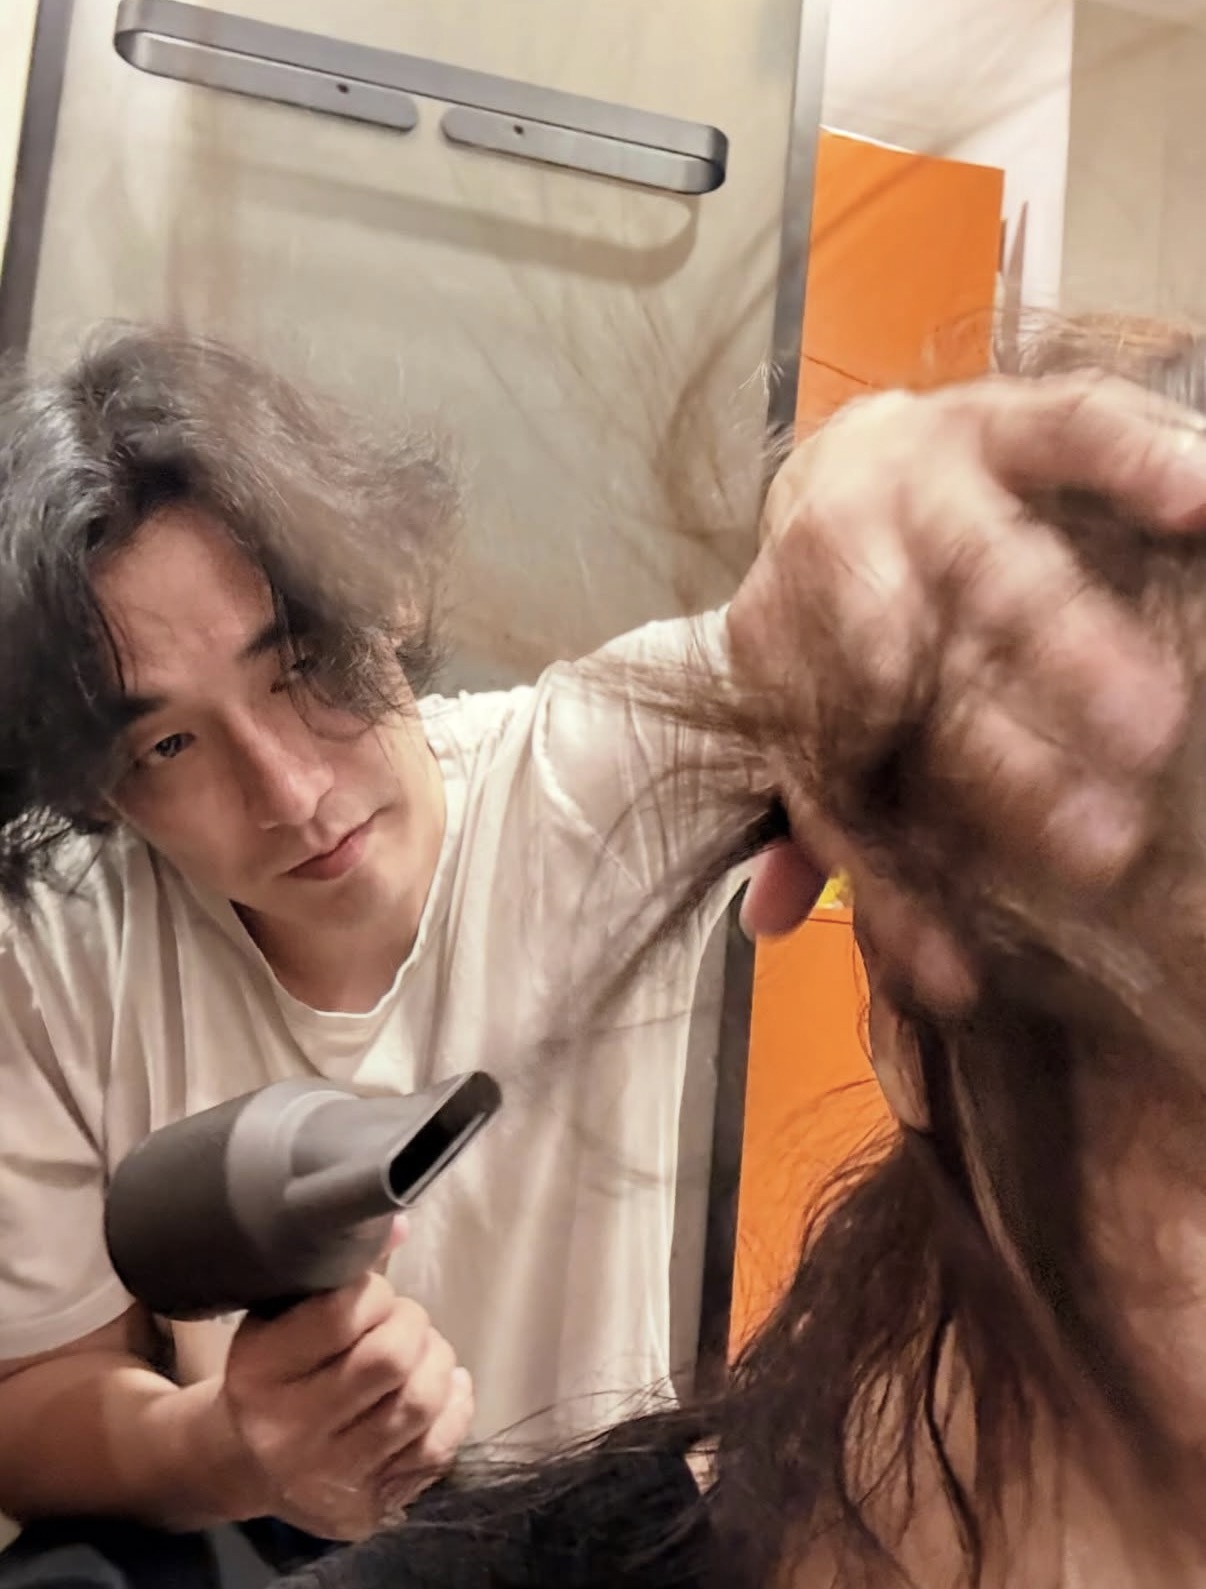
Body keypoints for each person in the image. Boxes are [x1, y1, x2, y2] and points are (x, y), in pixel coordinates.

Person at [0, 320, 1201, 1588]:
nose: (290, 791)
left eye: (300, 664)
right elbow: (33, 1400)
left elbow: (844, 634)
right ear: (98, 789)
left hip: (594, 1529)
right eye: (169, 747)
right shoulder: (58, 952)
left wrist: (849, 472)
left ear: (387, 591)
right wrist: (234, 1449)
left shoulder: (591, 772)